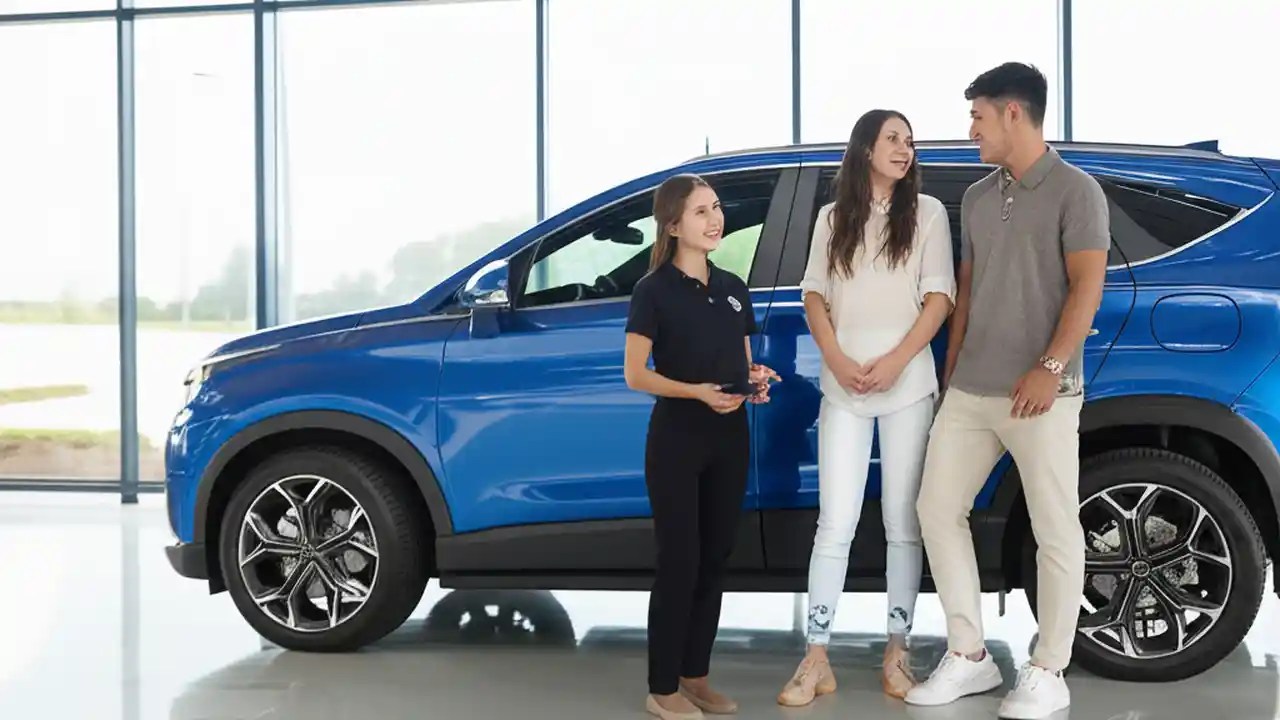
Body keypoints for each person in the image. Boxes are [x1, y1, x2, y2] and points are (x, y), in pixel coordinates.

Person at [905, 62, 1109, 719]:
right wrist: (951, 371)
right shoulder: (977, 197)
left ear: (1014, 114)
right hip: (971, 390)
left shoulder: (1078, 193)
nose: (972, 130)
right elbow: (968, 288)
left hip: (1044, 393)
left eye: (979, 117)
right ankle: (969, 656)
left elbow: (1087, 287)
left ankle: (1049, 669)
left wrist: (1048, 370)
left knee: (1055, 529)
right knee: (936, 509)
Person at [775, 109, 956, 706]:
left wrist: (898, 360)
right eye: (893, 139)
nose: (905, 149)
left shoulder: (927, 214)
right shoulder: (833, 218)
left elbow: (939, 298)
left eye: (909, 141)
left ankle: (897, 651)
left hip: (908, 387)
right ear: (866, 150)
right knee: (836, 523)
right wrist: (840, 361)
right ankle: (816, 656)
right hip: (843, 390)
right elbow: (814, 295)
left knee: (904, 524)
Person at [623, 173, 781, 720]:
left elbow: (736, 362)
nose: (715, 220)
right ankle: (661, 686)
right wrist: (694, 391)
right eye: (700, 212)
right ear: (672, 225)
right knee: (680, 561)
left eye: (716, 209)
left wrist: (753, 380)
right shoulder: (653, 291)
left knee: (716, 559)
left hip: (728, 437)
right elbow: (635, 375)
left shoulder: (734, 287)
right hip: (677, 438)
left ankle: (696, 676)